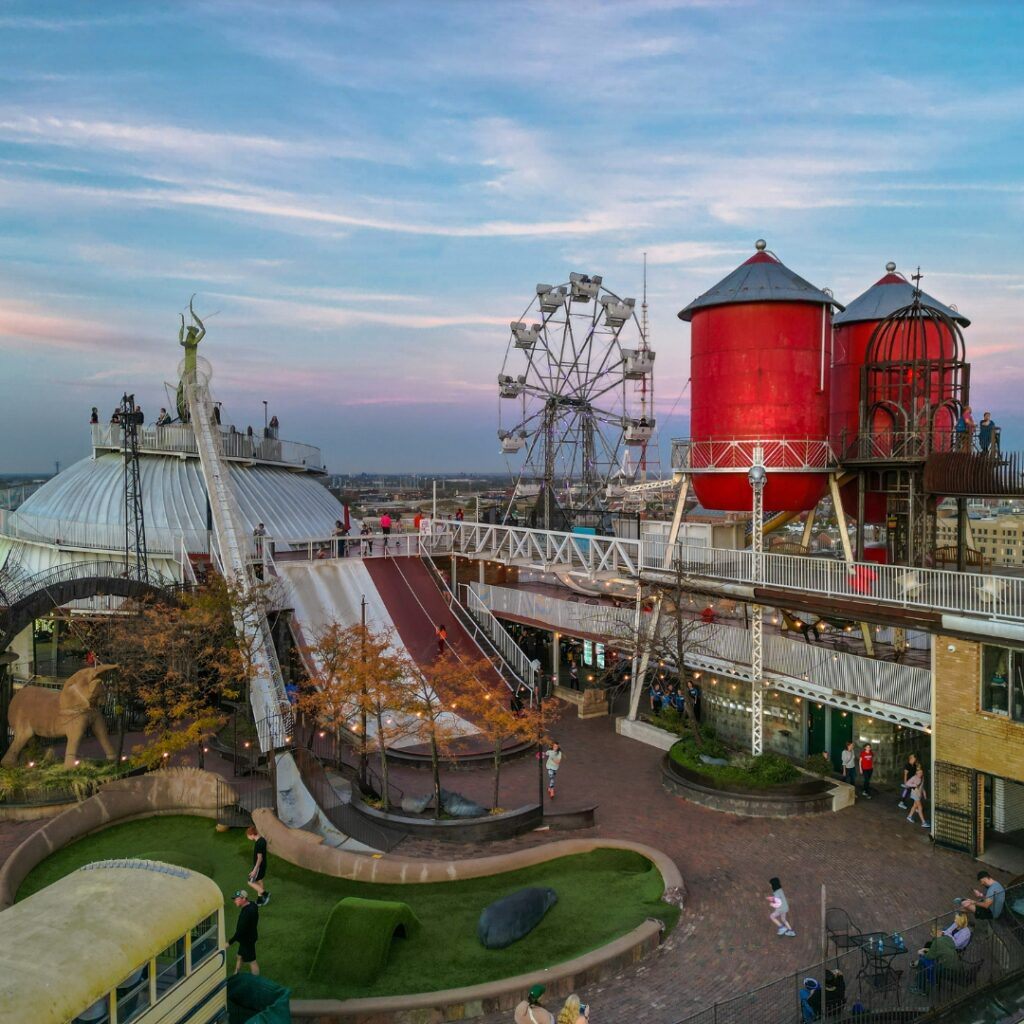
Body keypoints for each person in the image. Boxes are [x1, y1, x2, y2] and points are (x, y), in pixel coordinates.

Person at [910, 925, 959, 993]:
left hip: (946, 968)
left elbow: (929, 956)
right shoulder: (948, 937)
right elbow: (940, 950)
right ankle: (928, 978)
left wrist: (921, 952)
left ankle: (921, 988)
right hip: (954, 964)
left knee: (923, 963)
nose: (931, 934)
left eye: (932, 933)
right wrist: (926, 949)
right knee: (925, 962)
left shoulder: (937, 942)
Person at [228, 890, 260, 975]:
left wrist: (229, 942)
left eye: (237, 899)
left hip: (247, 940)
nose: (235, 901)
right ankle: (236, 973)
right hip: (249, 937)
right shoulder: (253, 905)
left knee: (252, 961)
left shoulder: (246, 913)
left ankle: (256, 981)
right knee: (239, 956)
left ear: (244, 899)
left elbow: (239, 932)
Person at [246, 825, 271, 905]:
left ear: (252, 835)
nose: (248, 838)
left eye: (248, 836)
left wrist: (254, 870)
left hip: (259, 866)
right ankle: (260, 900)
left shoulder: (258, 844)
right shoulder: (262, 840)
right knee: (259, 880)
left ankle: (265, 894)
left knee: (250, 882)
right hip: (263, 865)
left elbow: (259, 858)